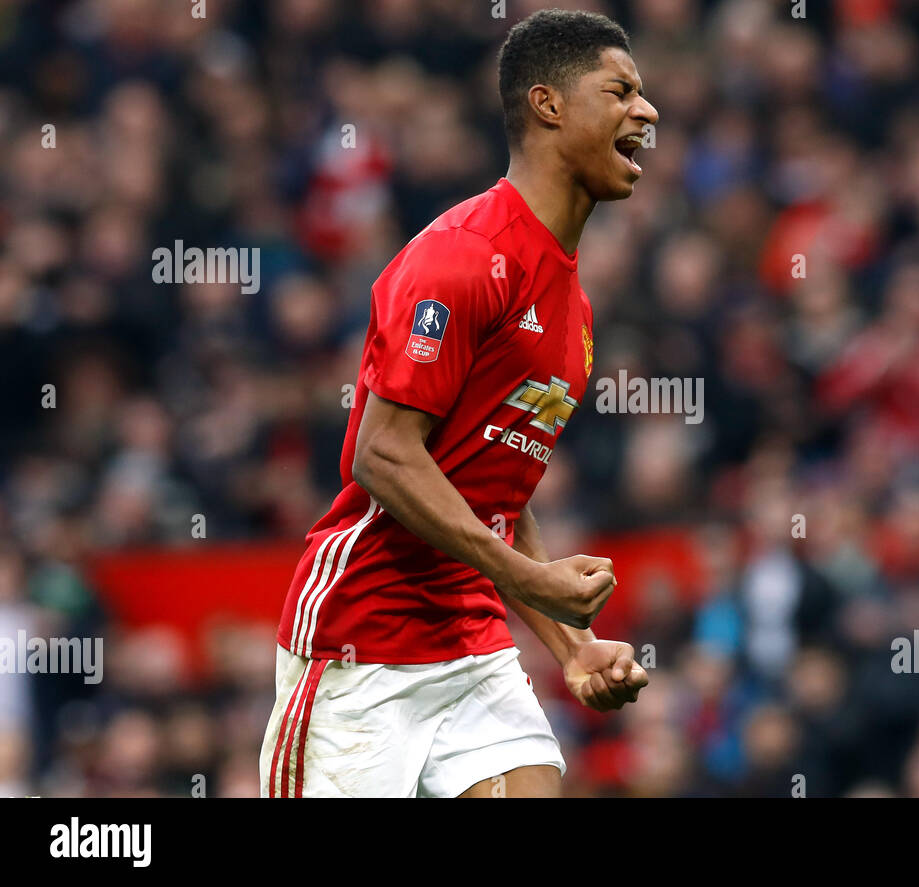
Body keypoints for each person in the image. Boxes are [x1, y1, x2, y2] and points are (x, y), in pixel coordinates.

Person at [259, 8, 659, 798]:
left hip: (471, 644)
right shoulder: (461, 256)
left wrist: (570, 645)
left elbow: (497, 488)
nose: (646, 111)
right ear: (548, 105)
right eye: (620, 92)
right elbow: (382, 455)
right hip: (360, 641)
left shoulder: (574, 309)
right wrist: (529, 578)